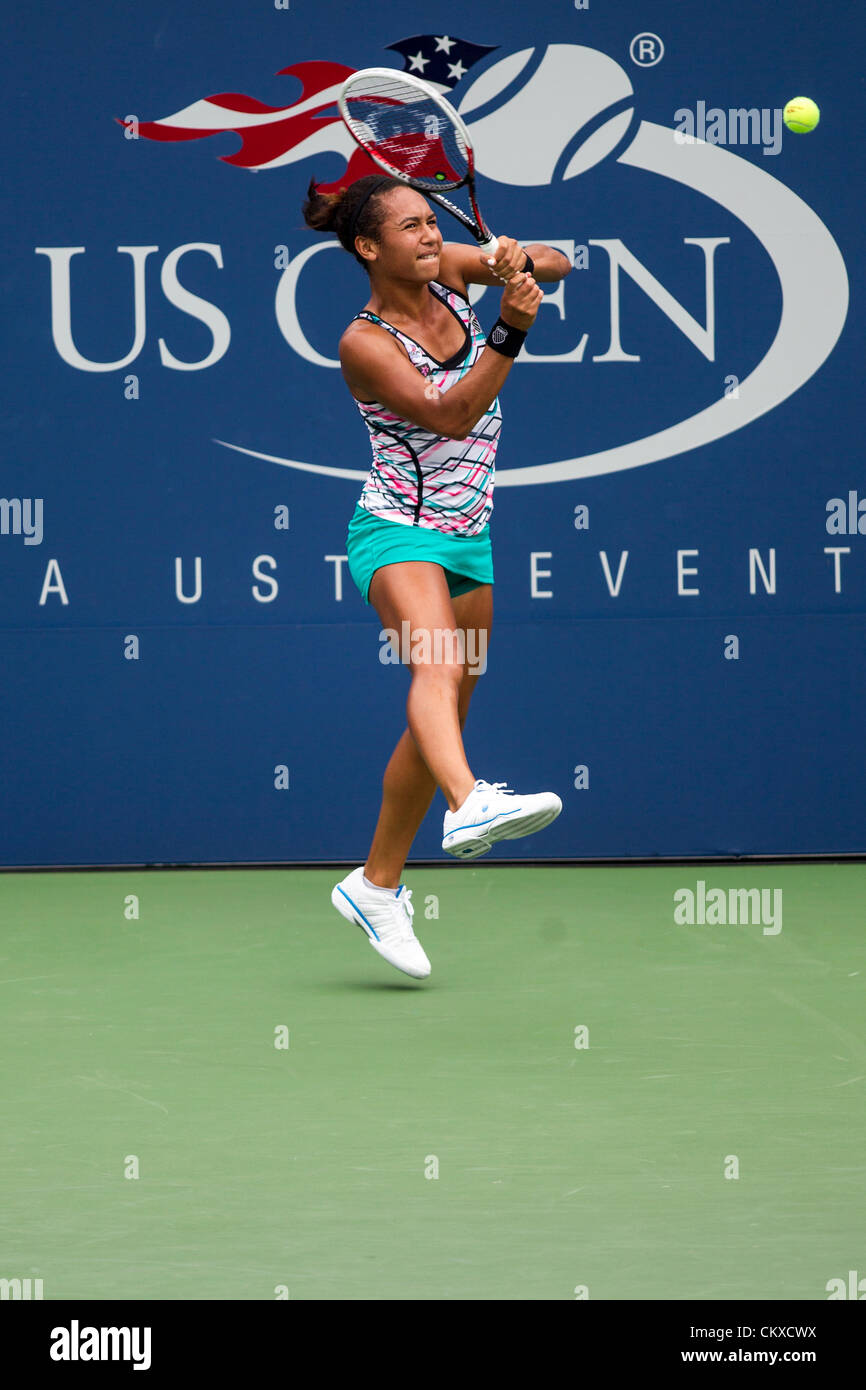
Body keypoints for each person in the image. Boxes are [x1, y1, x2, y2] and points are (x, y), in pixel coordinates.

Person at [301, 173, 572, 981]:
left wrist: (518, 258)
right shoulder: (364, 341)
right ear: (367, 247)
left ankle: (376, 886)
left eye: (431, 223)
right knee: (437, 664)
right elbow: (449, 413)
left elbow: (557, 264)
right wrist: (509, 334)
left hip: (468, 532)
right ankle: (469, 805)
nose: (428, 236)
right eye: (410, 228)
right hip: (396, 528)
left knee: (447, 704)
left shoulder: (452, 271)